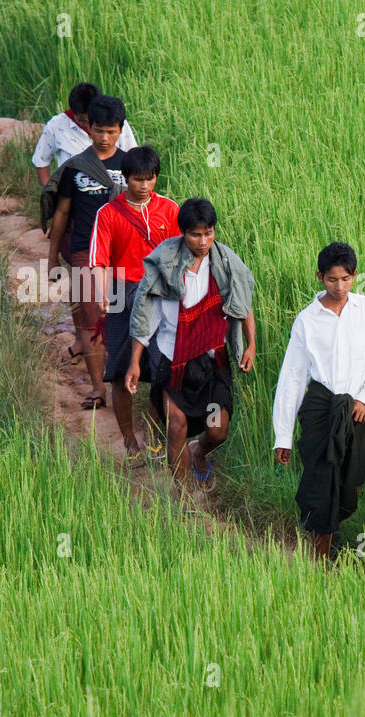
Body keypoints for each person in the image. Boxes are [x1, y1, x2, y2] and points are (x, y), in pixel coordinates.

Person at [126, 199, 258, 497]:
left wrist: (250, 345)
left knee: (217, 430)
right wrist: (135, 362)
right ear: (183, 233)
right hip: (173, 361)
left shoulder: (225, 263)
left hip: (212, 360)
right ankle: (184, 496)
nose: (203, 242)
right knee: (176, 426)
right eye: (195, 235)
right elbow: (145, 315)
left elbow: (242, 303)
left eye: (208, 233)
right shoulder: (165, 264)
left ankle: (199, 451)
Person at [272, 242, 365, 562]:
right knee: (320, 482)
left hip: (355, 411)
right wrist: (282, 435)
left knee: (350, 488)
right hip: (320, 410)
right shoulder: (307, 320)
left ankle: (330, 538)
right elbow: (293, 379)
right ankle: (319, 559)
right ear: (319, 277)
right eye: (331, 279)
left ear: (355, 276)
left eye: (346, 279)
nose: (339, 287)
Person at [87, 146, 179, 464]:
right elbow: (98, 261)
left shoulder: (170, 210)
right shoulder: (108, 214)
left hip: (160, 295)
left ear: (156, 178)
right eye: (137, 180)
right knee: (121, 371)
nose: (144, 186)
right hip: (121, 292)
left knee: (163, 371)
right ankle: (129, 443)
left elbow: (184, 257)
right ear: (125, 179)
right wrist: (100, 294)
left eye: (150, 179)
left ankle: (154, 436)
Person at [45, 94, 130, 409]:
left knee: (121, 317)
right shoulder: (75, 168)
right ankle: (98, 389)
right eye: (98, 130)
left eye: (111, 131)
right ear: (88, 128)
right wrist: (53, 258)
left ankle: (124, 380)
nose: (104, 138)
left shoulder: (130, 165)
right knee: (92, 321)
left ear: (120, 130)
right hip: (84, 251)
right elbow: (62, 215)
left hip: (122, 252)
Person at [31, 82, 138, 186]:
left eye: (92, 120)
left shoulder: (116, 123)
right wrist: (51, 194)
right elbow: (41, 160)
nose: (88, 126)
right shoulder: (56, 126)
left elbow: (133, 157)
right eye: (82, 121)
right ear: (73, 112)